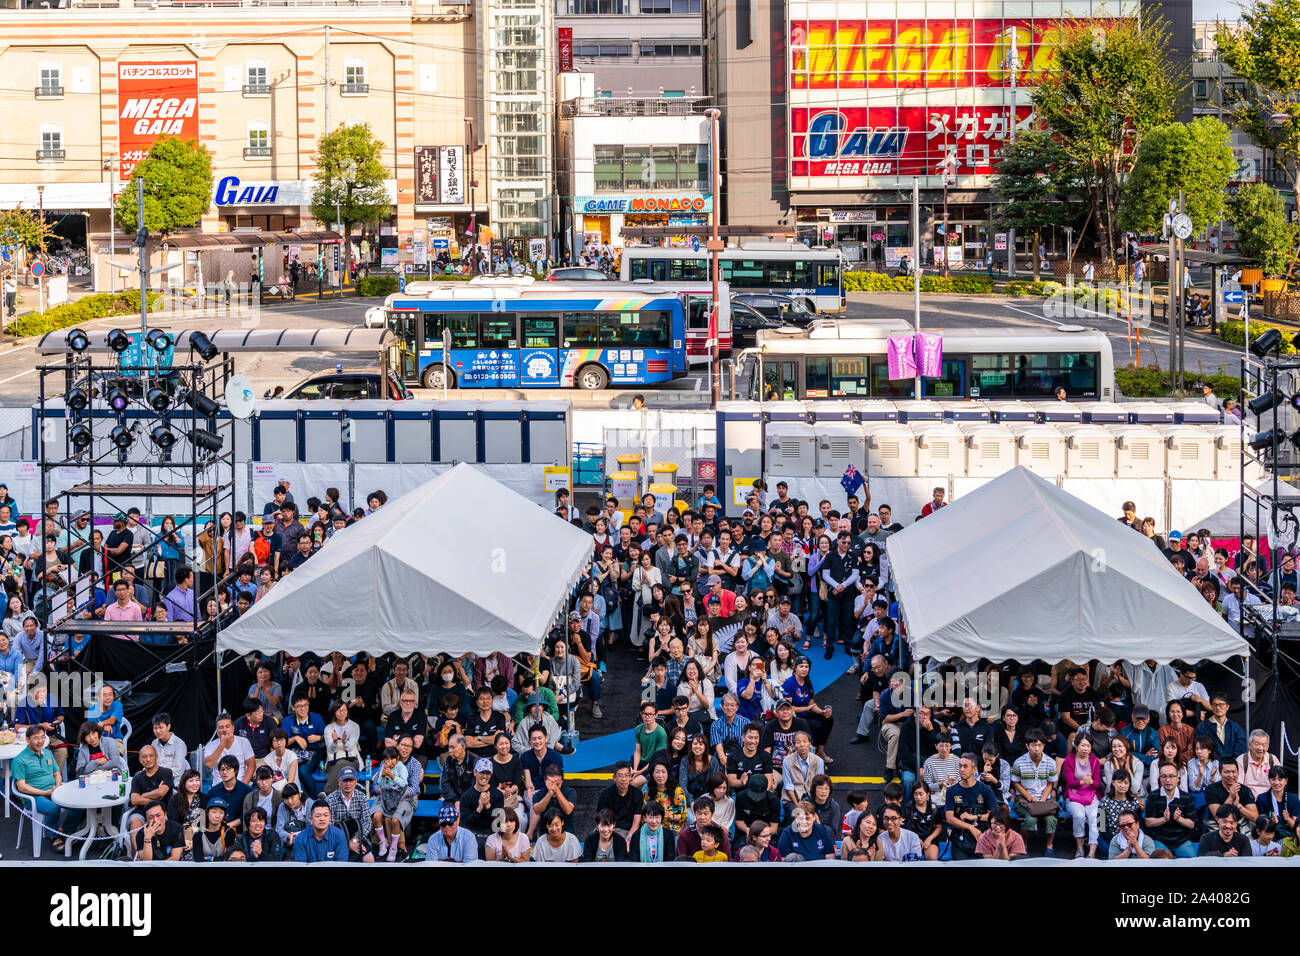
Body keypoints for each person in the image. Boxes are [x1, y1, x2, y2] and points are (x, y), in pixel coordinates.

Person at [12, 725, 67, 851]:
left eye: (43, 737)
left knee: (77, 804)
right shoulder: (20, 760)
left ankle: (65, 830)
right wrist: (44, 792)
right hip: (34, 796)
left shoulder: (47, 753)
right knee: (53, 808)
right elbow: (21, 787)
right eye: (36, 738)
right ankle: (54, 837)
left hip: (53, 790)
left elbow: (57, 773)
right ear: (27, 740)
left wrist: (58, 786)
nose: (40, 741)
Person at [944, 753, 997, 859]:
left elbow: (995, 816)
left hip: (981, 837)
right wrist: (970, 827)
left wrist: (976, 817)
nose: (961, 769)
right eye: (960, 766)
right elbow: (949, 818)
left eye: (965, 766)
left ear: (974, 769)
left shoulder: (985, 789)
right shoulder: (952, 791)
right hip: (960, 840)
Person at [1145, 762, 1199, 857]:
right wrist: (1164, 819)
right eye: (1164, 776)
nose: (1168, 780)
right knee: (1159, 861)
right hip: (1160, 840)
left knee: (1193, 862)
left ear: (1178, 779)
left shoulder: (1186, 798)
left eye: (1171, 776)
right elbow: (1148, 822)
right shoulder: (1153, 796)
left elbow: (1192, 824)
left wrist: (1179, 819)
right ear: (1160, 779)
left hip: (1182, 841)